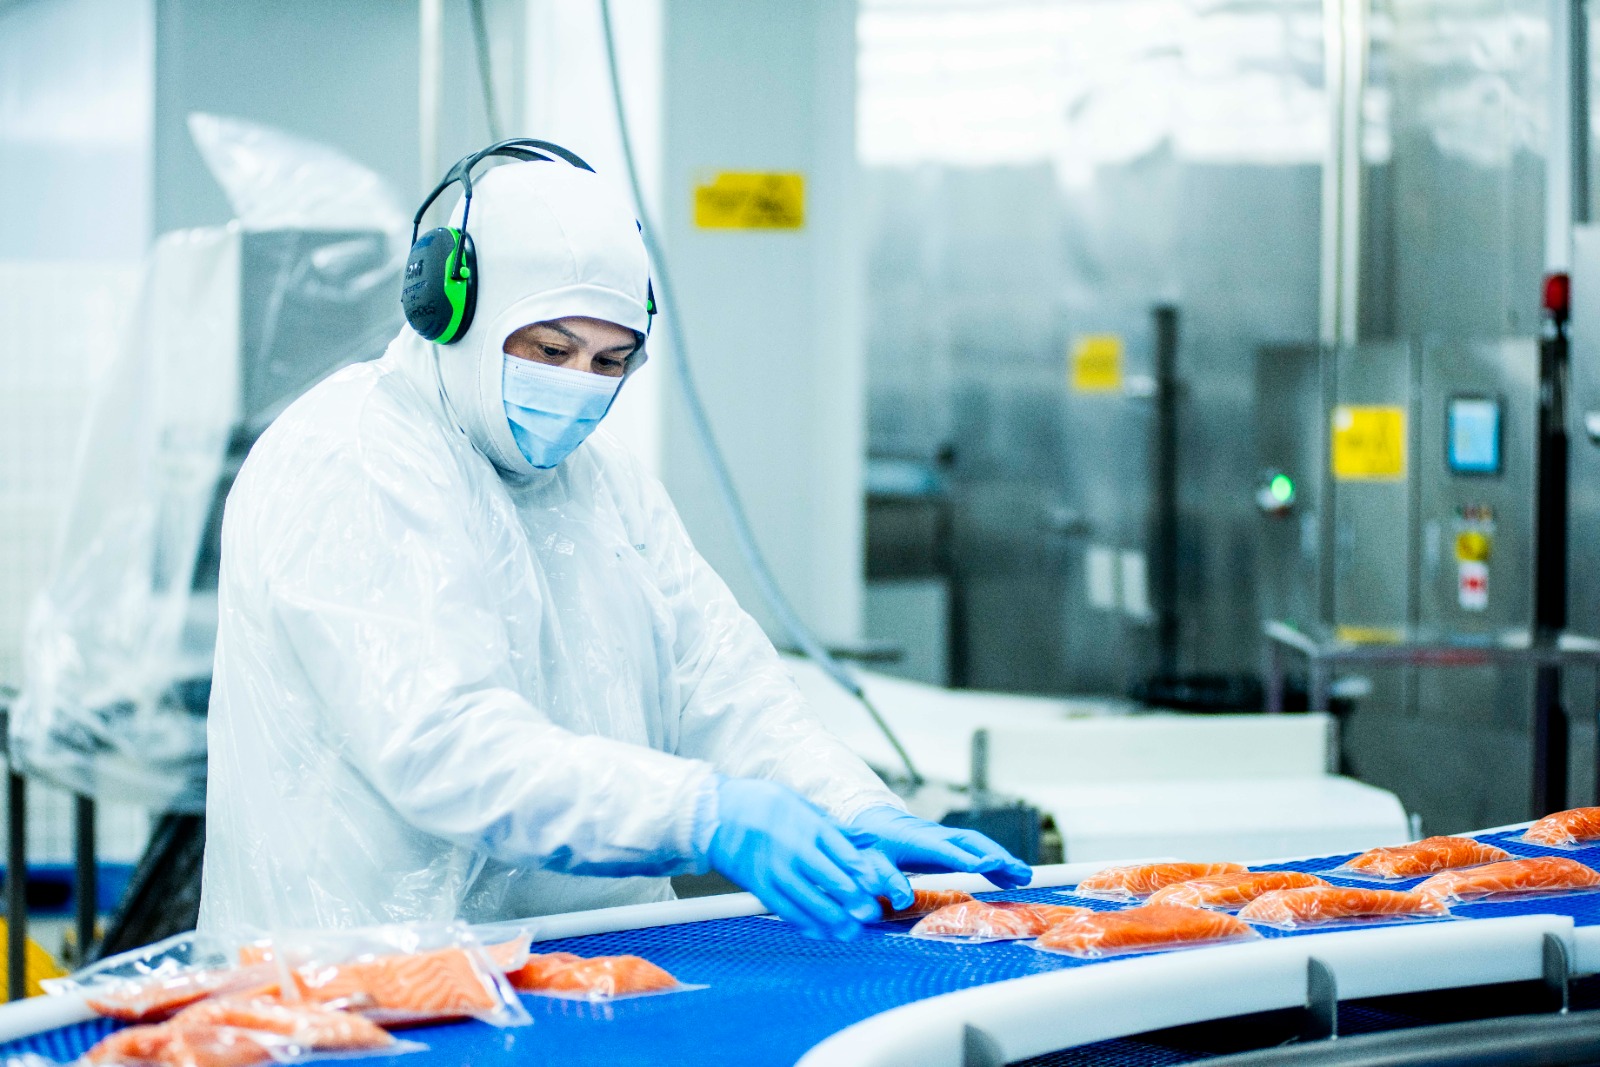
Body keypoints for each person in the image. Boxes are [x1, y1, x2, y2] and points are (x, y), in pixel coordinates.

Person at [197, 144, 1030, 941]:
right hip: (367, 986)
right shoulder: (353, 456)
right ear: (450, 312)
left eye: (609, 360)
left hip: (594, 966)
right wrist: (701, 812)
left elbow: (716, 681)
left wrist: (850, 806)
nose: (578, 387)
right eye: (551, 349)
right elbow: (445, 746)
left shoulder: (601, 480)